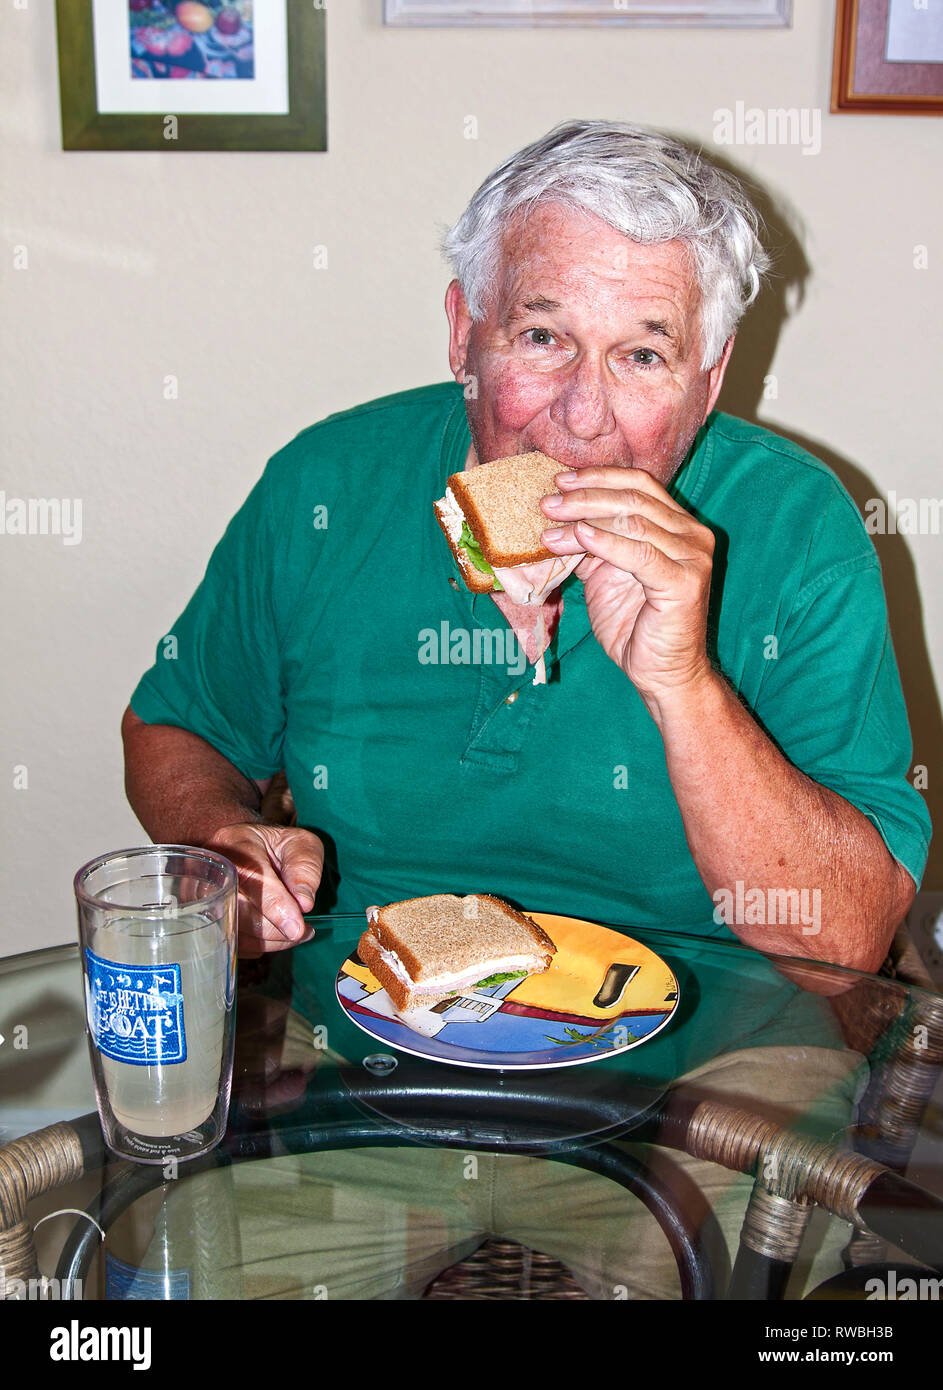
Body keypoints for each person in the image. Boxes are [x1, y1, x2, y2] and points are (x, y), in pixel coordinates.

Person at [120, 121, 930, 1299]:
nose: (578, 420)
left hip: (701, 1098)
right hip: (351, 1075)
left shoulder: (804, 530)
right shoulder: (324, 487)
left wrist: (681, 680)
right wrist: (222, 848)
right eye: (541, 336)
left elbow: (845, 941)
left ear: (710, 376)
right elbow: (174, 725)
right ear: (463, 331)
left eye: (643, 356)